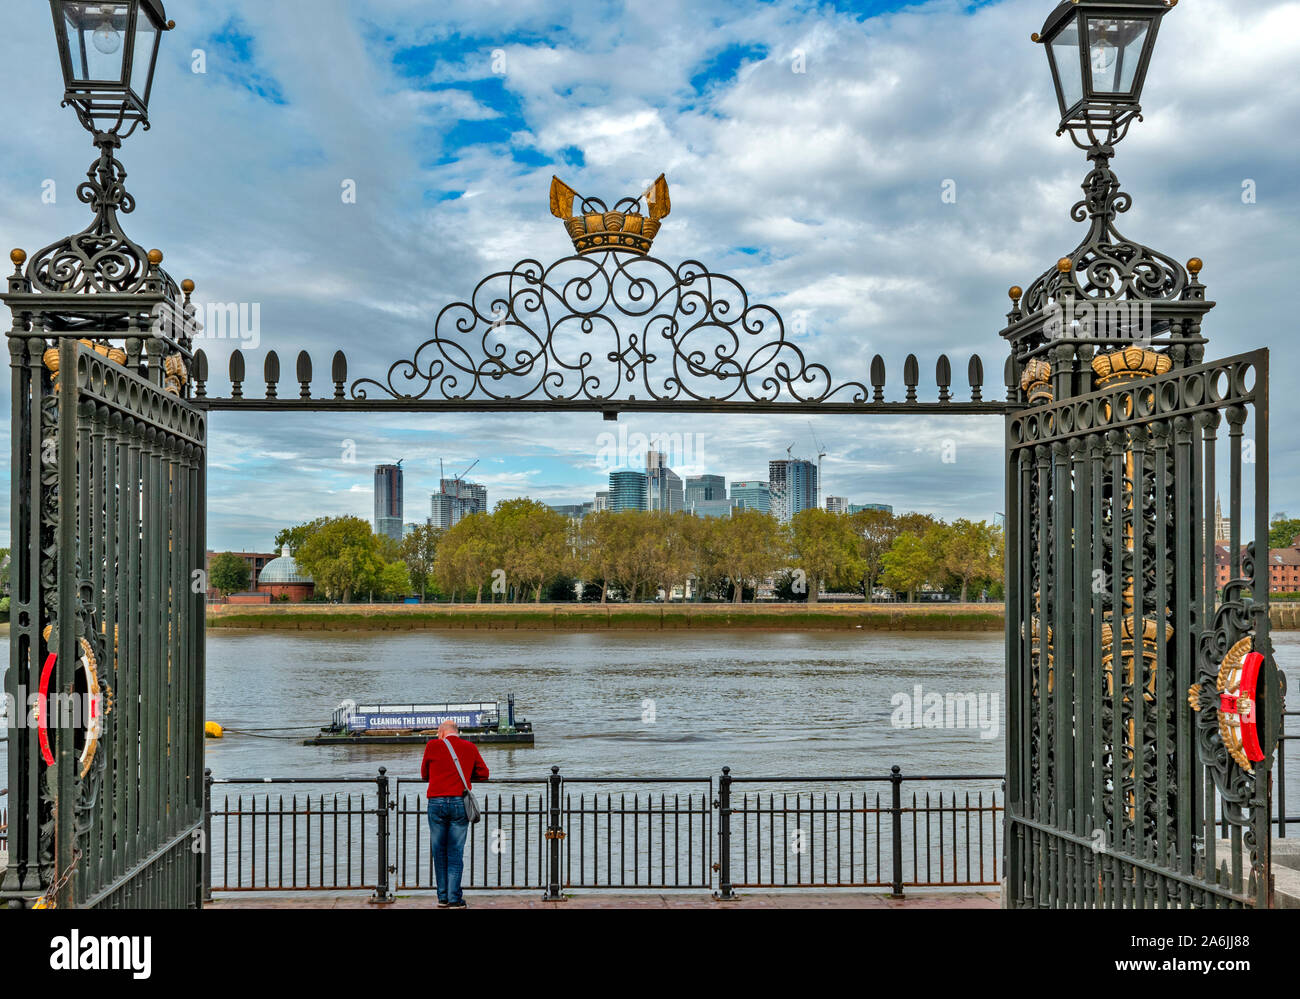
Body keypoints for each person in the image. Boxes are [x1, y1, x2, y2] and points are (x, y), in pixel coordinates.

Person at [420, 719, 489, 908]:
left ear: (441, 732)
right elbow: (484, 773)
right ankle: (454, 898)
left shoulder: (433, 745)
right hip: (459, 802)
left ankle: (442, 897)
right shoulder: (469, 747)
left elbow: (424, 774)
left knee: (439, 851)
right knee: (455, 852)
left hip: (436, 802)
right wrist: (466, 774)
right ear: (457, 731)